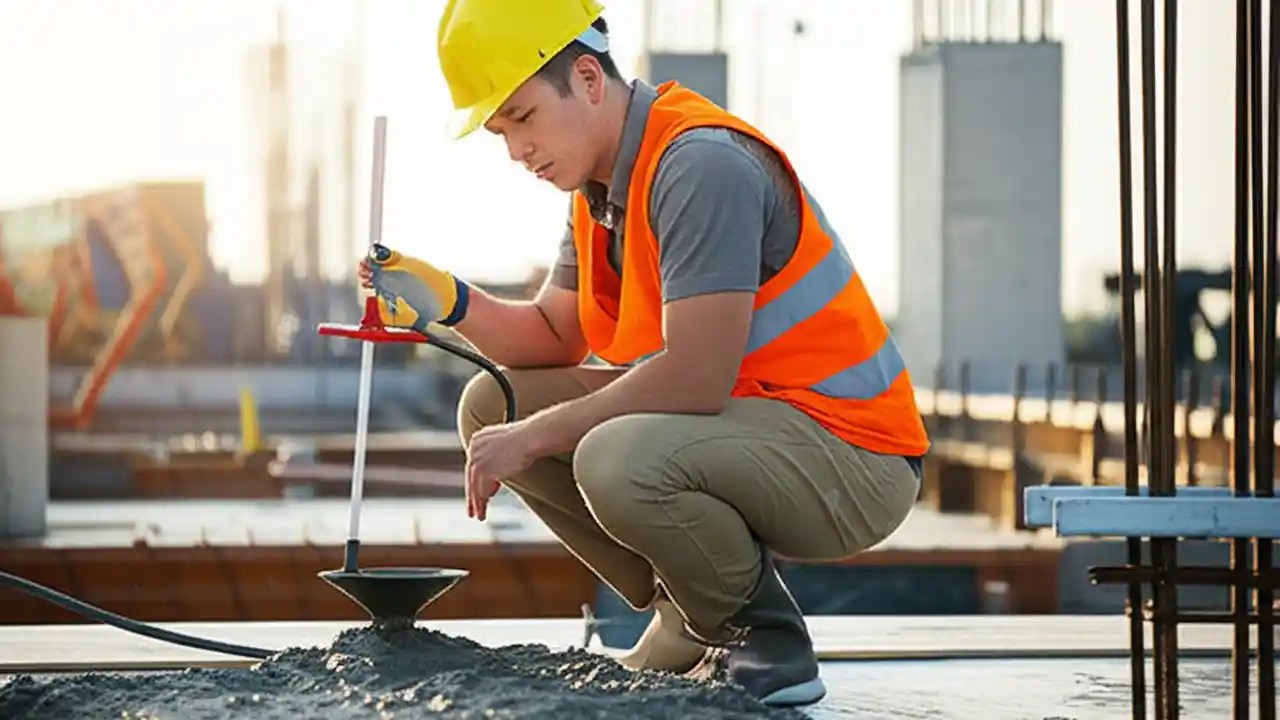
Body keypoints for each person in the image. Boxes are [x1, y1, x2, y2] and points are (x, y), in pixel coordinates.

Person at [358, 0, 929, 708]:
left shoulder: (699, 165)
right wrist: (447, 298)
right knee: (491, 405)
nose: (516, 150)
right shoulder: (598, 189)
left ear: (590, 79)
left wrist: (531, 439)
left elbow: (694, 375)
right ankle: (686, 610)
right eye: (501, 132)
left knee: (614, 456)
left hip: (853, 456)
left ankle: (763, 637)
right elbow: (551, 336)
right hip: (756, 424)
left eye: (525, 118)